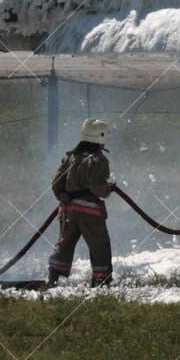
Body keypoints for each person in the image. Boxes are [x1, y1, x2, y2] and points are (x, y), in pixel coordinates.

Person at [48, 118, 115, 287]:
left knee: (64, 243)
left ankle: (54, 279)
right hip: (90, 211)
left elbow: (56, 182)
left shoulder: (70, 157)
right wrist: (109, 188)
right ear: (99, 137)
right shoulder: (98, 160)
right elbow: (98, 187)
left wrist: (62, 195)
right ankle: (101, 281)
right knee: (99, 245)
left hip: (68, 209)